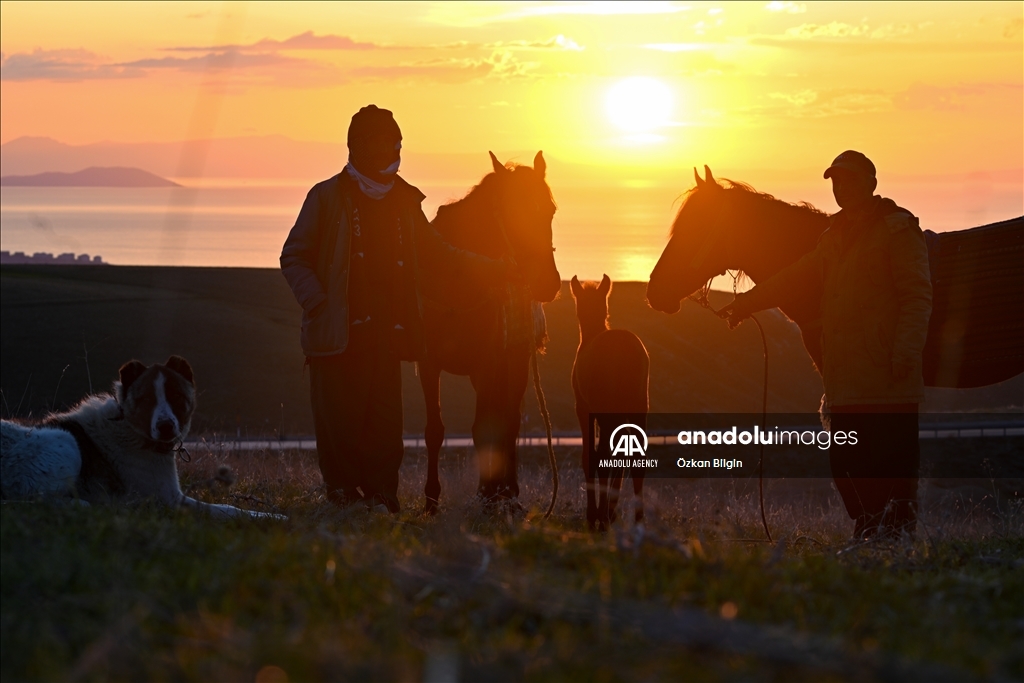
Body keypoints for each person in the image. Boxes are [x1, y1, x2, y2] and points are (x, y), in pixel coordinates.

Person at [280, 105, 510, 513]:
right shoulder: (326, 197)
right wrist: (318, 303)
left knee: (385, 430)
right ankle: (343, 503)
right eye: (382, 143)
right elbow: (294, 255)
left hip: (387, 341)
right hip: (336, 341)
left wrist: (495, 269)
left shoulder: (404, 202)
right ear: (358, 147)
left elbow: (439, 253)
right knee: (340, 429)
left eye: (394, 142)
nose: (390, 151)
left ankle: (383, 503)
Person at [725, 150, 932, 539]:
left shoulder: (898, 230)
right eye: (836, 182)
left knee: (893, 464)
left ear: (870, 183)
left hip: (887, 376)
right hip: (844, 379)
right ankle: (869, 530)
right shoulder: (832, 237)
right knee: (846, 464)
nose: (841, 189)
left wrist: (905, 352)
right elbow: (796, 277)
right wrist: (746, 303)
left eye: (849, 180)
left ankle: (895, 538)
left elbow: (917, 296)